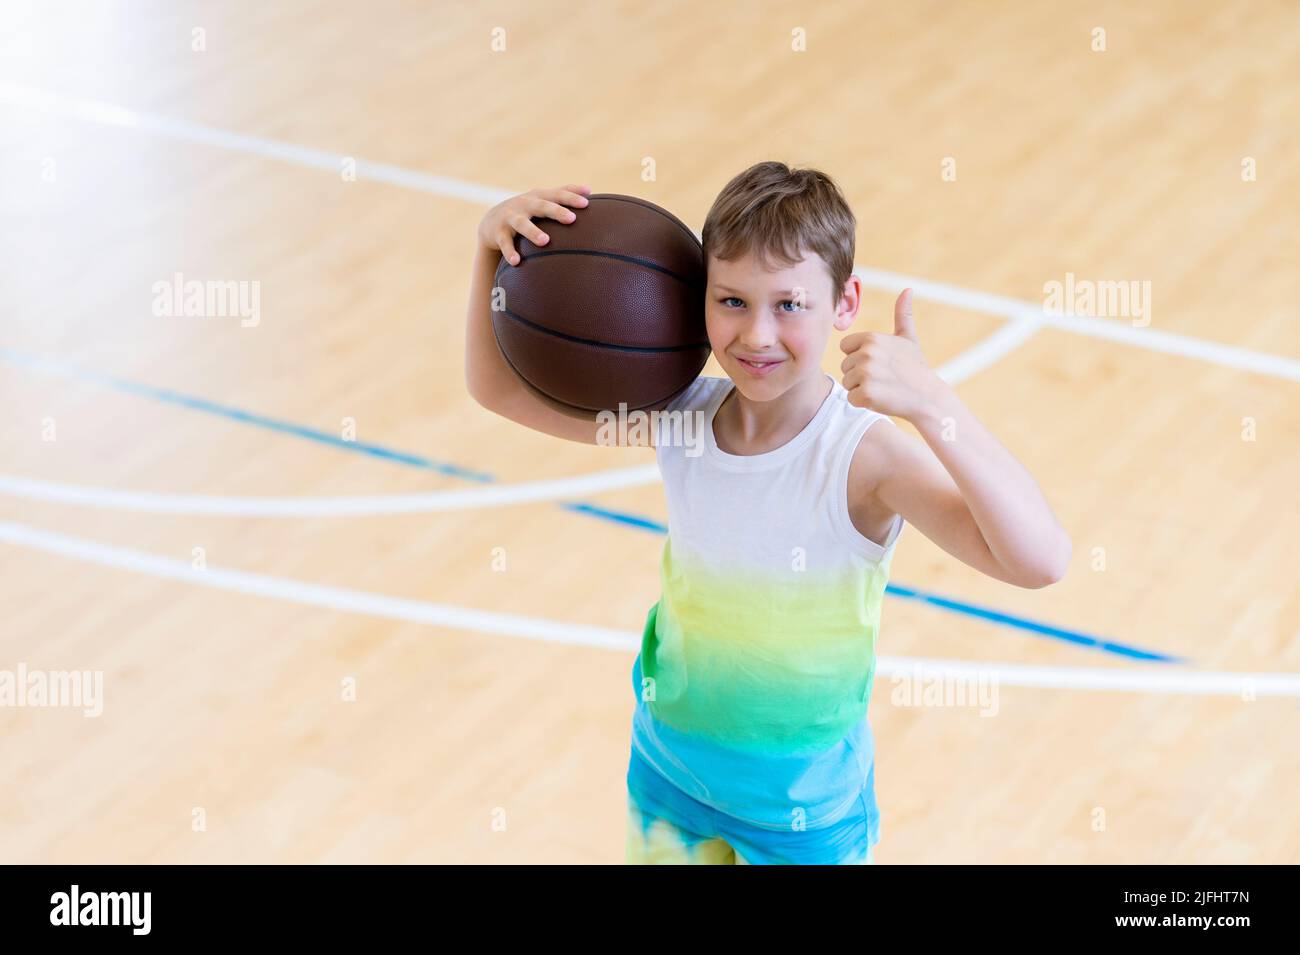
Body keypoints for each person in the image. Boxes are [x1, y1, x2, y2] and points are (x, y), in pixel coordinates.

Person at [465, 162, 1071, 864]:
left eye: (788, 305)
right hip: (670, 779)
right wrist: (489, 254)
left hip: (802, 819)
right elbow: (499, 391)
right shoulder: (679, 416)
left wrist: (934, 404)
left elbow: (1041, 559)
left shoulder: (863, 459)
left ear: (845, 303)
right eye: (731, 301)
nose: (756, 335)